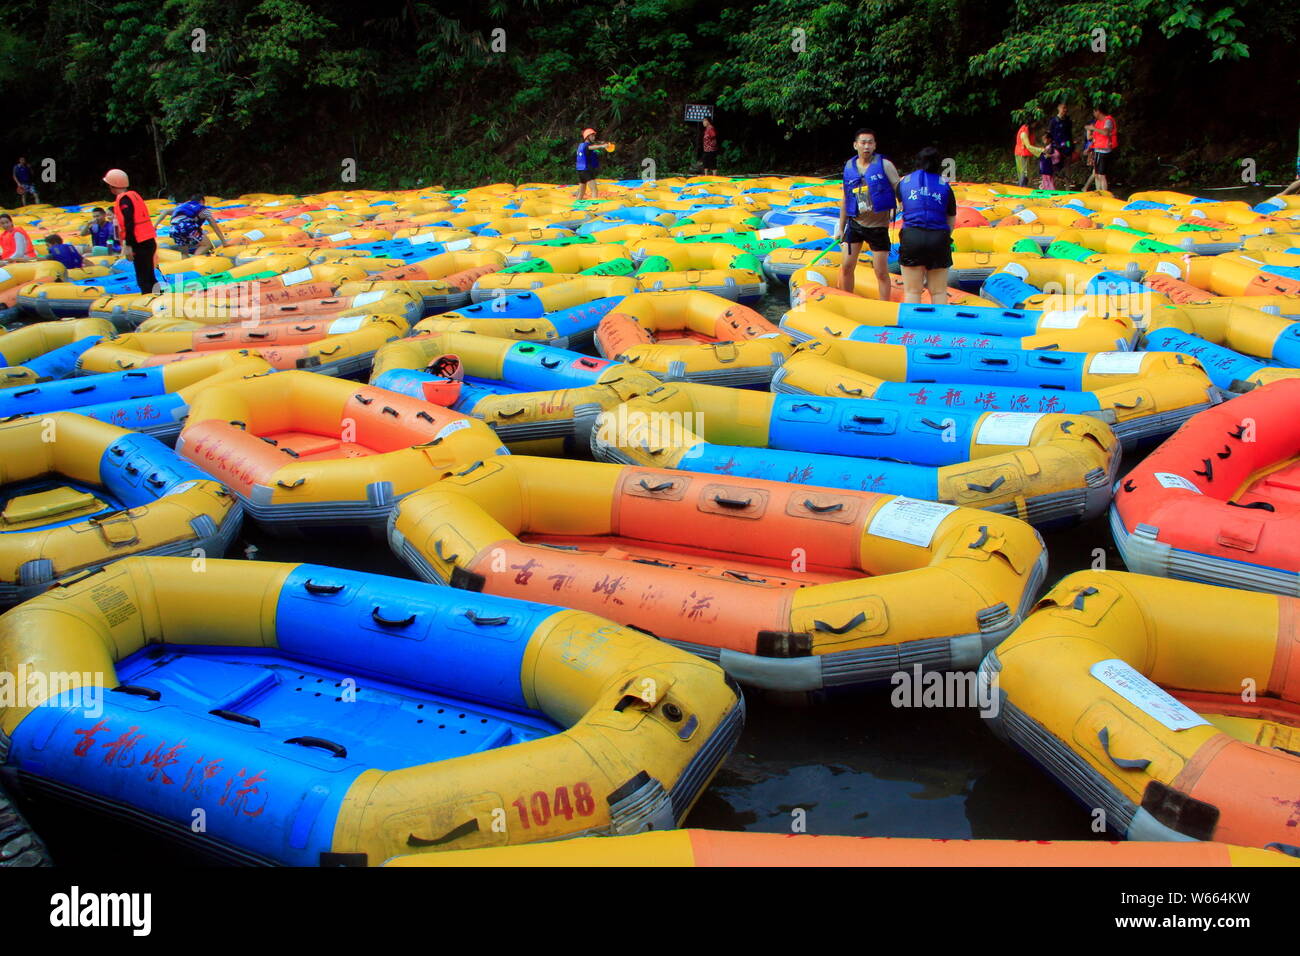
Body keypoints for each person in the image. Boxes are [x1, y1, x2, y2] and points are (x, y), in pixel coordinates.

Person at [836, 128, 901, 299]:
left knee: (880, 272)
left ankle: (884, 306)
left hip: (878, 227)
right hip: (855, 224)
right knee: (847, 266)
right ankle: (847, 300)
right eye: (863, 142)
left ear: (875, 146)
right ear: (855, 145)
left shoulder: (885, 165)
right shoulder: (849, 166)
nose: (866, 146)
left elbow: (898, 188)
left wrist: (901, 204)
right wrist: (840, 228)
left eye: (870, 142)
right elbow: (845, 198)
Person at [897, 146, 957, 305]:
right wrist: (944, 237)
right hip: (938, 237)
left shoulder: (904, 183)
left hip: (912, 237)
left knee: (912, 291)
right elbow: (951, 219)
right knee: (938, 292)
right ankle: (940, 327)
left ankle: (913, 328)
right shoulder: (945, 186)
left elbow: (902, 205)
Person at [102, 168, 159, 294]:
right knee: (149, 276)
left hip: (139, 242)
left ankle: (151, 301)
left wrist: (128, 245)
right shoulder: (134, 196)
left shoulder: (124, 199)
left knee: (144, 279)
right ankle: (157, 298)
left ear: (112, 186)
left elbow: (129, 222)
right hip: (148, 240)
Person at [155, 193, 226, 255]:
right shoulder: (203, 209)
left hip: (174, 229)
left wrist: (155, 225)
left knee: (184, 253)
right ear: (201, 201)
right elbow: (214, 226)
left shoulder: (181, 206)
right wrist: (224, 242)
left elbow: (165, 211)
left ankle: (186, 267)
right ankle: (195, 258)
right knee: (207, 245)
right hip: (187, 227)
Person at [1083, 105, 1118, 192]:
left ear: (1098, 111)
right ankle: (1098, 191)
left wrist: (1094, 128)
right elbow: (1092, 137)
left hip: (1105, 151)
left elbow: (1106, 132)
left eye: (1094, 112)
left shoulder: (1108, 121)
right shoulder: (1098, 122)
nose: (1094, 114)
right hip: (1098, 149)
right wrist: (1090, 148)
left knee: (1102, 175)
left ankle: (1105, 193)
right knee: (1097, 174)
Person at [575, 128, 611, 200]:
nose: (594, 137)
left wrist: (601, 144)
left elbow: (592, 148)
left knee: (582, 191)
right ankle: (594, 207)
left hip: (580, 171)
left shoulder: (581, 145)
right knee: (594, 190)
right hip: (586, 171)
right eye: (592, 136)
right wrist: (602, 146)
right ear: (588, 137)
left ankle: (576, 206)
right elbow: (591, 147)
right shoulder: (586, 146)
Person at [1048, 103, 1073, 185]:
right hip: (1056, 147)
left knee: (1068, 166)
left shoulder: (1068, 121)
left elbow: (1070, 135)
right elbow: (1050, 134)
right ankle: (1052, 185)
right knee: (1055, 167)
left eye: (1066, 108)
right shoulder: (1053, 121)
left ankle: (1068, 186)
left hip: (1067, 145)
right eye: (1063, 108)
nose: (1065, 110)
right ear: (1058, 109)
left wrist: (1070, 146)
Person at [1013, 120, 1042, 188]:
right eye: (1034, 123)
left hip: (1028, 154)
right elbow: (1028, 146)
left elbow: (1033, 143)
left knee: (1028, 173)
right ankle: (1022, 187)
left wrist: (1040, 148)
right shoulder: (1023, 133)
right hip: (1021, 154)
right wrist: (1041, 151)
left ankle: (1026, 187)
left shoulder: (1030, 131)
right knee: (1023, 173)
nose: (1035, 125)